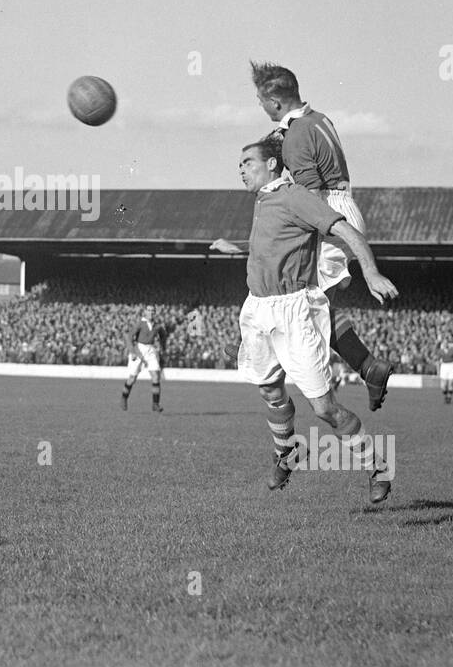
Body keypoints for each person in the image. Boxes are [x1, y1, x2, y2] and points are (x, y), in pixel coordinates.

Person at [210, 133, 398, 503]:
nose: (241, 170)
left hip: (294, 311)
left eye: (247, 163)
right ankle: (288, 452)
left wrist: (371, 272)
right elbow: (276, 243)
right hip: (257, 307)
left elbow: (345, 229)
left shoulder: (296, 196)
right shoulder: (265, 200)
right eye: (239, 164)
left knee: (324, 408)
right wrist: (240, 250)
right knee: (269, 390)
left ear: (272, 166)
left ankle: (377, 466)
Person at [251, 62, 395, 411]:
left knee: (296, 298)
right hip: (344, 204)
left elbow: (311, 197)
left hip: (329, 210)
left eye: (260, 99)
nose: (259, 105)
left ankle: (355, 370)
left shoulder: (296, 136)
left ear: (274, 101)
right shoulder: (317, 119)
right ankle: (367, 367)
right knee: (312, 300)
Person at [120, 305, 164, 412]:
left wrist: (163, 348)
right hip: (139, 349)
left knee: (156, 376)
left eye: (153, 311)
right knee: (132, 378)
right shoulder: (140, 323)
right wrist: (132, 352)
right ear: (145, 312)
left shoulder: (158, 326)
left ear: (155, 312)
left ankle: (155, 404)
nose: (151, 313)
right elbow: (129, 337)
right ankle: (124, 398)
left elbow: (163, 336)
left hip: (150, 350)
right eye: (149, 310)